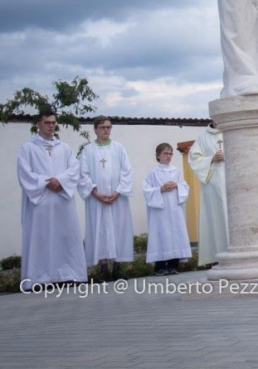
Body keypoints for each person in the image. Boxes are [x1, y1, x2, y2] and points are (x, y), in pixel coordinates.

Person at [16, 109, 87, 290]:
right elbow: (24, 172)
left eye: (53, 122)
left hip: (62, 201)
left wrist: (60, 181)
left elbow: (74, 169)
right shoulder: (28, 147)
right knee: (41, 239)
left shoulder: (64, 148)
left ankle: (68, 274)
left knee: (65, 237)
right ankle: (39, 278)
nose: (51, 126)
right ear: (38, 124)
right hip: (40, 203)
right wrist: (45, 182)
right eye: (47, 122)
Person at [78, 116, 134, 281]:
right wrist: (95, 193)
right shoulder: (88, 150)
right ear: (95, 129)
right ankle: (103, 269)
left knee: (118, 230)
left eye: (109, 127)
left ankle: (117, 268)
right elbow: (83, 174)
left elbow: (127, 171)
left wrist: (117, 192)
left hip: (117, 199)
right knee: (99, 230)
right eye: (102, 127)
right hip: (97, 200)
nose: (106, 130)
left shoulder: (119, 148)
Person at [143, 143, 192, 276]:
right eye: (165, 153)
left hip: (174, 209)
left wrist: (177, 185)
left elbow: (185, 187)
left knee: (175, 234)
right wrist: (160, 189)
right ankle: (159, 267)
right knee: (161, 236)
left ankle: (173, 265)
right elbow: (146, 190)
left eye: (170, 153)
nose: (168, 156)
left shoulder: (176, 171)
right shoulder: (153, 173)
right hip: (160, 210)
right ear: (158, 155)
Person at [188, 123, 229, 266]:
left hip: (232, 183)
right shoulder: (202, 137)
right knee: (215, 219)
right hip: (212, 186)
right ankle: (217, 257)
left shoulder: (230, 131)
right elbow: (193, 159)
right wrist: (211, 158)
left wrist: (227, 155)